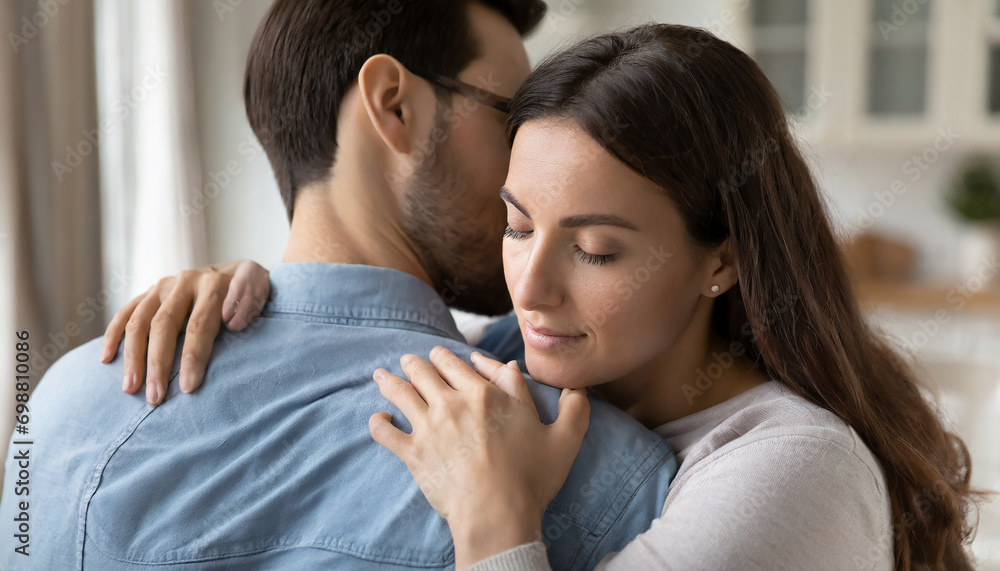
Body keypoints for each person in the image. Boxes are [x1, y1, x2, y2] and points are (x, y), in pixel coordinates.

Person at [132, 24, 985, 571]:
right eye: (516, 225)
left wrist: (495, 518)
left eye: (595, 249)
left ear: (721, 261)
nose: (531, 287)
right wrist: (252, 293)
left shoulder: (794, 470)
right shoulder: (513, 355)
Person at [0, 2, 678, 569]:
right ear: (395, 105)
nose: (527, 170)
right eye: (511, 121)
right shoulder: (591, 466)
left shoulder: (57, 405)